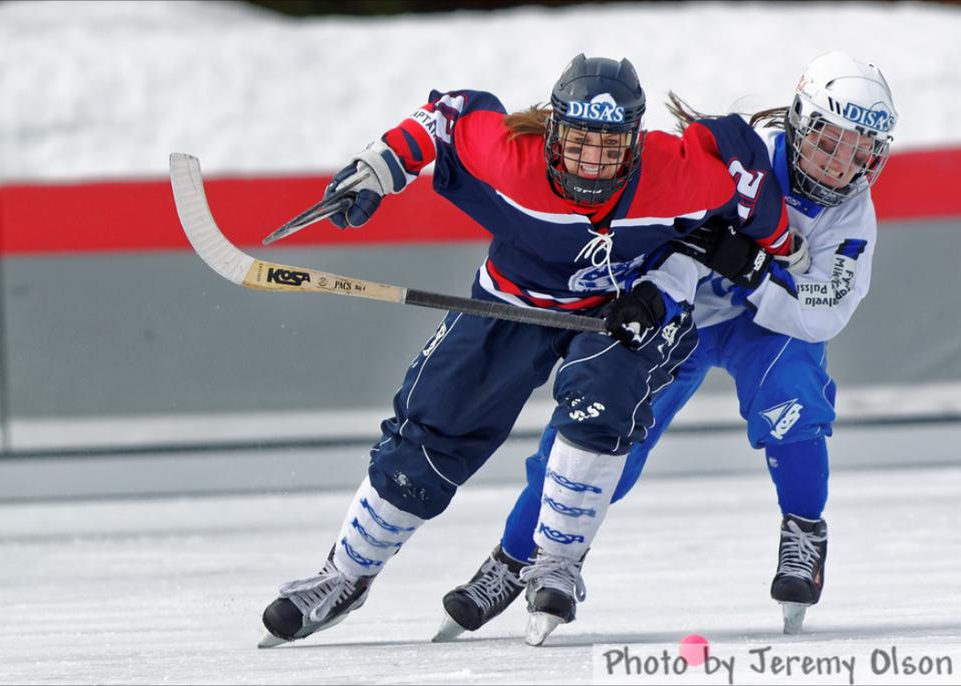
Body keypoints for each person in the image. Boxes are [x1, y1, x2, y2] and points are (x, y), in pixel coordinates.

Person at [257, 53, 790, 648]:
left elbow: (754, 207)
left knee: (600, 405)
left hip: (618, 315)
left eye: (610, 148)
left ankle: (558, 563)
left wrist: (725, 258)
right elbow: (443, 115)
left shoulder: (681, 172)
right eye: (580, 143)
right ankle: (345, 575)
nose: (591, 163)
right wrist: (382, 166)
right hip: (512, 302)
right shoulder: (509, 156)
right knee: (435, 422)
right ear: (554, 132)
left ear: (636, 145)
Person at [436, 51, 897, 643]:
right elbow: (669, 227)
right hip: (682, 313)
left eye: (860, 151)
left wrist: (755, 274)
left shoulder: (854, 217)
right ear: (799, 122)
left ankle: (805, 527)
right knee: (603, 437)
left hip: (767, 325)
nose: (839, 165)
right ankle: (513, 556)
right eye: (829, 142)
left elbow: (824, 313)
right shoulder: (744, 157)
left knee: (793, 397)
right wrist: (653, 295)